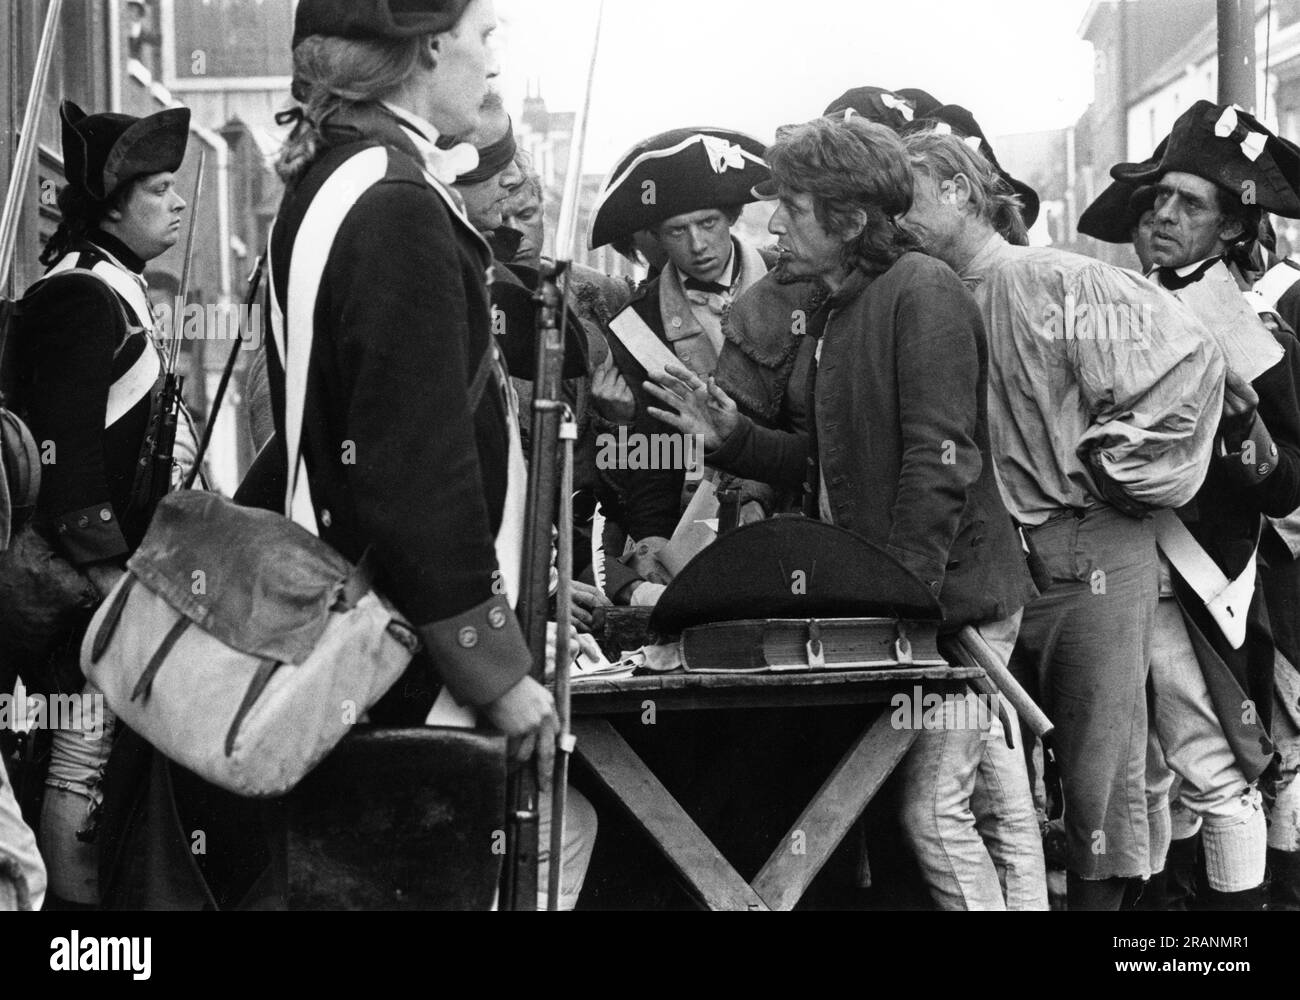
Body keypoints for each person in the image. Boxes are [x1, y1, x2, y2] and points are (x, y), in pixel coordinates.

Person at [646, 116, 1045, 910]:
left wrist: (905, 604)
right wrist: (735, 439)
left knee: (933, 813)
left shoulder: (920, 291)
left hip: (950, 603)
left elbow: (940, 462)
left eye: (791, 208)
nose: (771, 225)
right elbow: (826, 464)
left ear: (851, 221)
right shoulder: (833, 309)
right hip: (920, 602)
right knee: (991, 811)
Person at [901, 126, 1226, 909]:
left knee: (1098, 777)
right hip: (988, 571)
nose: (893, 220)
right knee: (989, 782)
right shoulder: (920, 297)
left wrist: (1116, 462)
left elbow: (1189, 358)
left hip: (1086, 551)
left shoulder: (1049, 278)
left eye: (904, 198)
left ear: (956, 190)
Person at [1109, 101, 1300, 909]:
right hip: (1123, 562)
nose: (1163, 215)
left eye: (1190, 204)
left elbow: (1290, 476)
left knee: (1220, 761)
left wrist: (1246, 437)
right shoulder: (1121, 302)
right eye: (1158, 200)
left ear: (1230, 232)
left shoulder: (1247, 325)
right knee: (1150, 765)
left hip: (1210, 572)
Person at [8, 99, 194, 909]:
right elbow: (67, 458)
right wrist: (111, 571)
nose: (178, 201)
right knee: (80, 750)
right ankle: (71, 926)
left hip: (123, 570)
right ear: (112, 203)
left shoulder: (116, 287)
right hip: (86, 580)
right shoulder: (78, 294)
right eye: (158, 188)